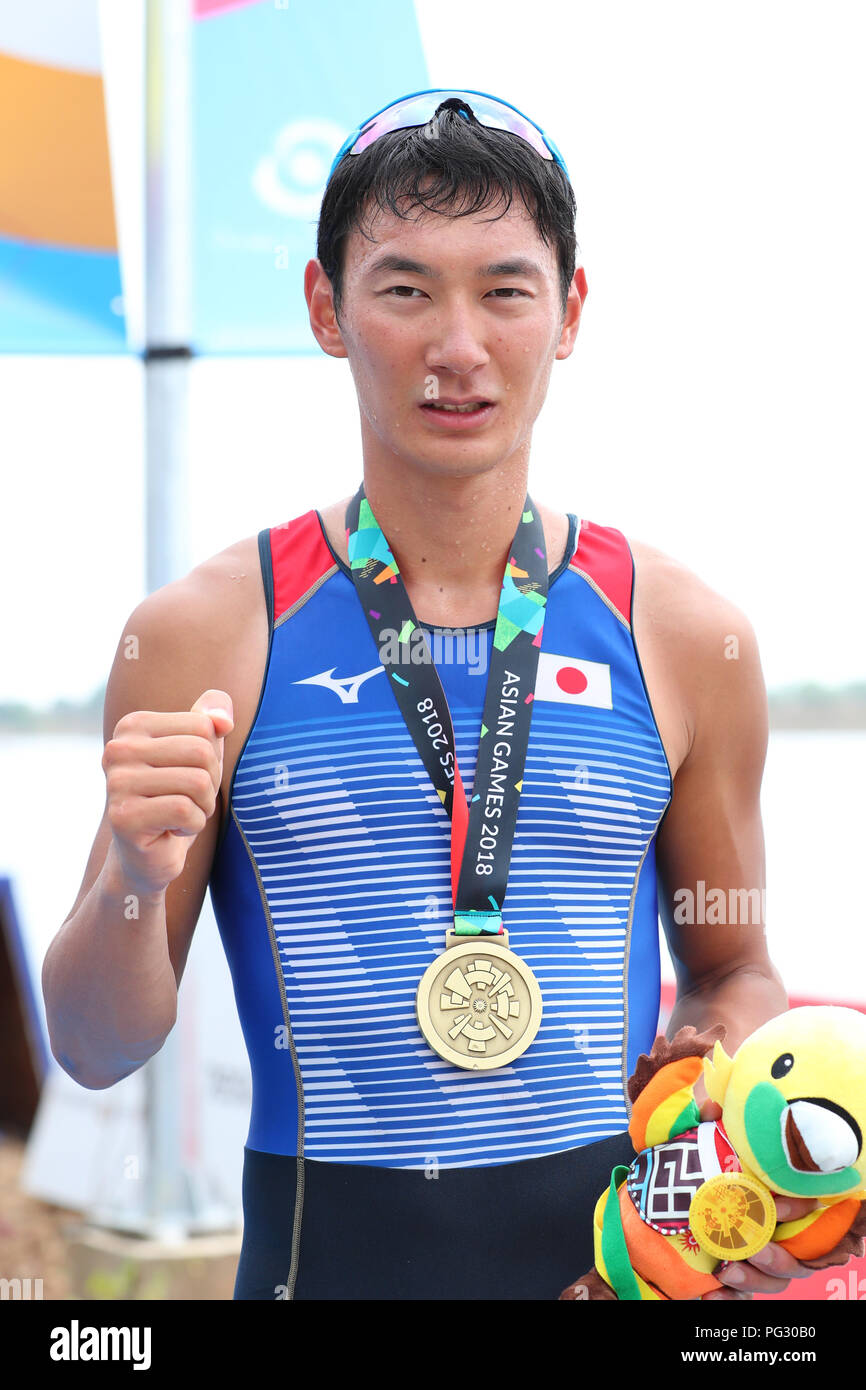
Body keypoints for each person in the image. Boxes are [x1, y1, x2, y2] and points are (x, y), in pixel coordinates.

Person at [40, 90, 846, 1301]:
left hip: (613, 1283)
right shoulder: (204, 633)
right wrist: (130, 879)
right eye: (406, 289)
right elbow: (96, 1049)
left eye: (504, 291)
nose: (457, 344)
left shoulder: (680, 634)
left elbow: (733, 969)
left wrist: (708, 1166)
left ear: (568, 311)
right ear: (327, 307)